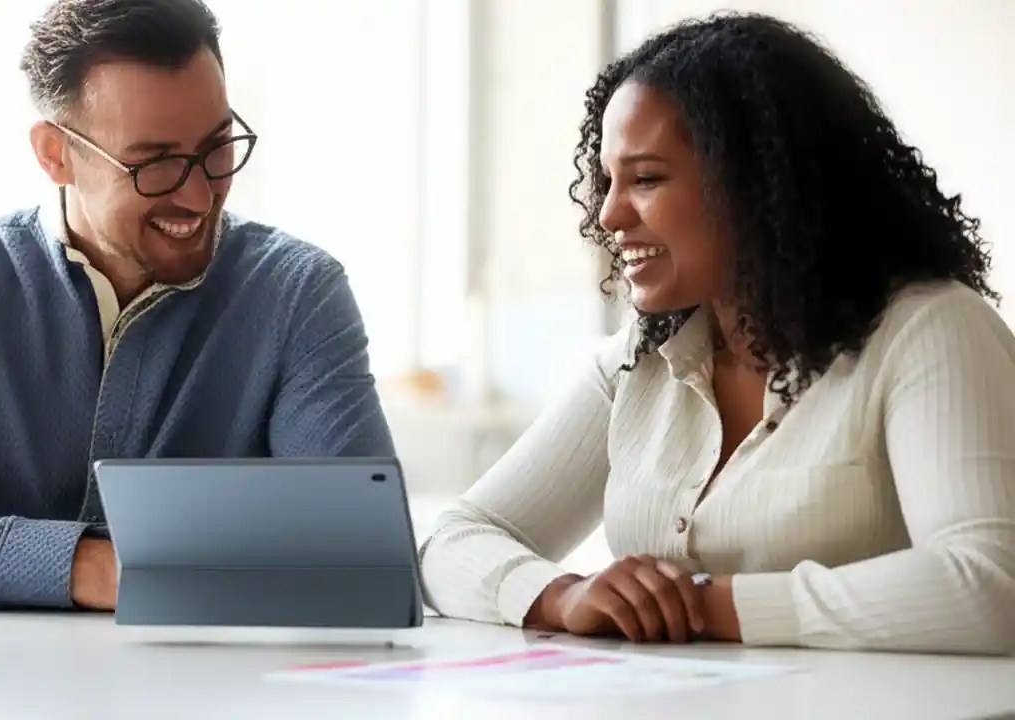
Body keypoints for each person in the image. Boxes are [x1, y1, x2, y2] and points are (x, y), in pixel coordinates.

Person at [0, 0, 394, 611]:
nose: (201, 197)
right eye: (157, 165)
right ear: (55, 154)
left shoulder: (298, 295)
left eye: (217, 146)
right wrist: (84, 564)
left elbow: (366, 561)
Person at [419, 13, 1015, 655]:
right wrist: (564, 596)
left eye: (645, 178)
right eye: (608, 181)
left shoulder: (930, 330)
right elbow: (455, 538)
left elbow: (989, 585)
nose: (610, 214)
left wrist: (703, 603)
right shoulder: (639, 362)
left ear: (760, 185)